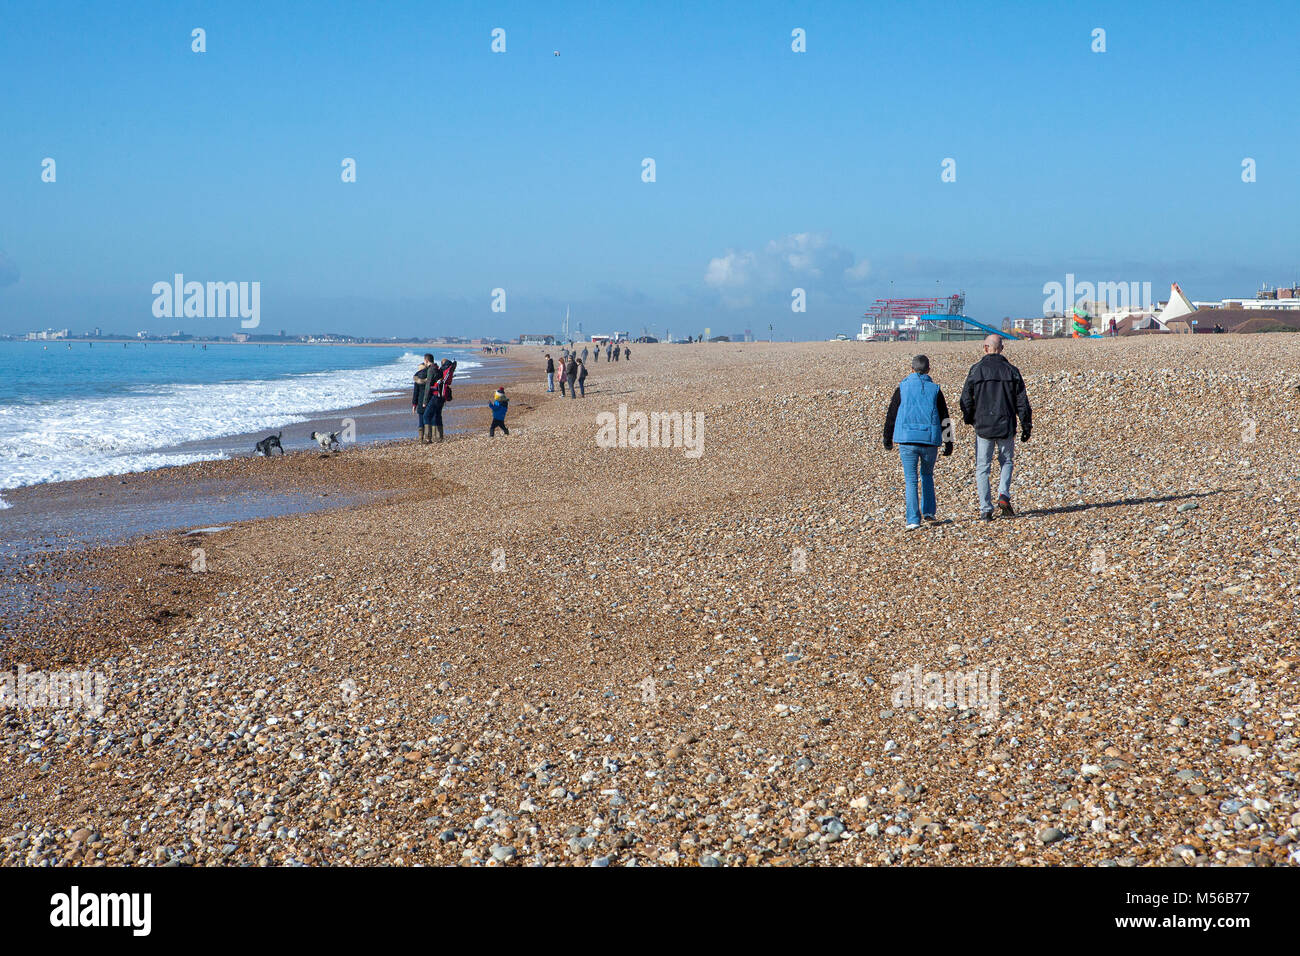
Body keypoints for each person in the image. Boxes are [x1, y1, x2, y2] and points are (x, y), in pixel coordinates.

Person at [959, 335, 1032, 520]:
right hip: (1006, 424)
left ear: (985, 348)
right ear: (1002, 348)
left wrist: (969, 418)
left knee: (983, 467)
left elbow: (965, 399)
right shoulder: (1011, 371)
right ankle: (1003, 494)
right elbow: (1022, 401)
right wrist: (1026, 425)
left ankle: (985, 508)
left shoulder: (976, 370)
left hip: (983, 426)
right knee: (1006, 461)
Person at [883, 355, 954, 529]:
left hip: (907, 440)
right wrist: (949, 442)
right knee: (927, 475)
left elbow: (891, 414)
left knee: (911, 480)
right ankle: (929, 512)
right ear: (928, 370)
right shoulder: (935, 389)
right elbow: (945, 416)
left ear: (911, 369)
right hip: (929, 440)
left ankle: (913, 520)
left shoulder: (902, 388)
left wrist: (887, 438)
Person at [422, 357, 457, 442]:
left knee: (426, 415)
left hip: (436, 396)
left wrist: (425, 401)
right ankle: (439, 437)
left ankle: (427, 438)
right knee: (437, 416)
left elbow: (428, 385)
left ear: (426, 360)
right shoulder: (444, 370)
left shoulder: (433, 370)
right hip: (442, 397)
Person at [412, 353, 436, 442]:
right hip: (430, 398)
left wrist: (414, 404)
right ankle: (429, 437)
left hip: (420, 399)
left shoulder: (418, 377)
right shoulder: (431, 373)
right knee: (429, 417)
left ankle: (421, 438)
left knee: (421, 419)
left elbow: (416, 392)